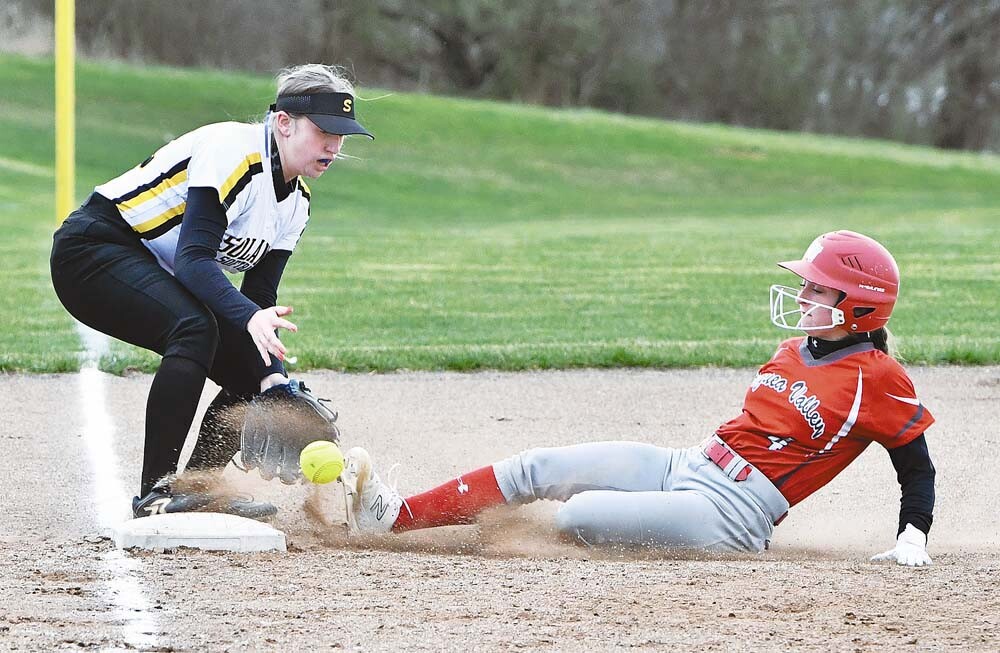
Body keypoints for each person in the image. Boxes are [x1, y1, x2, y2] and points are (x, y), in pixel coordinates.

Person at [340, 231, 937, 565]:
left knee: (577, 514)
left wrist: (914, 534)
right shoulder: (793, 349)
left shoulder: (877, 377)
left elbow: (916, 461)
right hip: (689, 462)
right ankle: (396, 519)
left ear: (858, 304)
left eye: (817, 287)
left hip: (732, 514)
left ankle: (497, 538)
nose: (802, 293)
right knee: (539, 468)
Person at [50, 64, 373, 520]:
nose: (335, 146)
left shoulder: (296, 203)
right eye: (324, 131)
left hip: (152, 265)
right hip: (94, 250)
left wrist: (273, 379)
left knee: (248, 366)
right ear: (284, 123)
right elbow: (193, 259)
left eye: (342, 136)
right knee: (195, 327)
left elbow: (259, 293)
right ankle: (158, 492)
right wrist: (250, 320)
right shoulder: (233, 151)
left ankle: (198, 487)